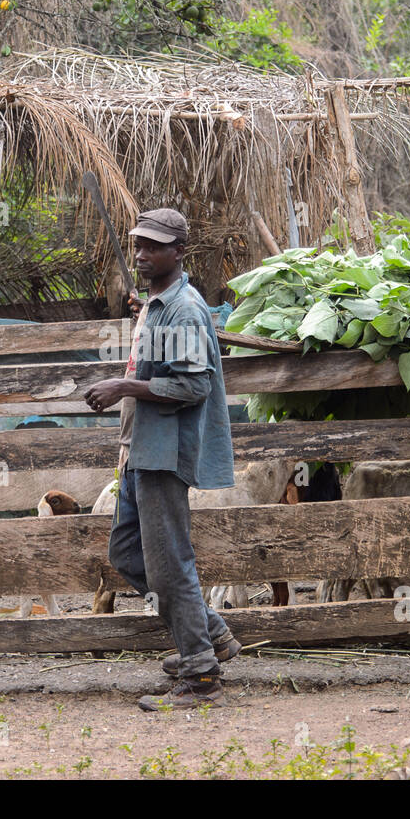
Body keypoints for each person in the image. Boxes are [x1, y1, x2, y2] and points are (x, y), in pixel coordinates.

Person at [83, 208, 239, 711]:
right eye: (138, 245)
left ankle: (200, 676)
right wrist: (144, 314)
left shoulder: (185, 310)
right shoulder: (157, 304)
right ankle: (210, 634)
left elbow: (193, 385)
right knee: (128, 554)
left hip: (164, 454)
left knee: (171, 564)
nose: (143, 254)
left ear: (179, 252)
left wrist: (122, 385)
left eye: (154, 246)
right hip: (138, 450)